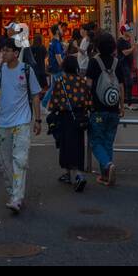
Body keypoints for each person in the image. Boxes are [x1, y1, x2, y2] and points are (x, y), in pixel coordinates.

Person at [0, 35, 42, 214]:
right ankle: (13, 192)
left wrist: (37, 119)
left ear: (16, 53)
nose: (3, 53)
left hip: (22, 121)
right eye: (2, 50)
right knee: (4, 161)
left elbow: (36, 95)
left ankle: (17, 197)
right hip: (4, 122)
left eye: (7, 50)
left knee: (20, 159)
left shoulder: (27, 70)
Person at [48, 55, 92, 192]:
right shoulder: (82, 81)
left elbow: (54, 101)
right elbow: (88, 101)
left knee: (65, 145)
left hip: (65, 116)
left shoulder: (61, 81)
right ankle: (77, 173)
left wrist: (53, 110)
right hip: (79, 117)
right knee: (78, 145)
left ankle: (72, 174)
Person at [86, 32, 124, 186]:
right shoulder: (117, 62)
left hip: (98, 109)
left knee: (95, 141)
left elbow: (88, 84)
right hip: (114, 109)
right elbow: (121, 86)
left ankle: (108, 165)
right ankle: (105, 175)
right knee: (108, 142)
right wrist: (122, 106)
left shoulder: (94, 62)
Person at [117, 24, 138, 110]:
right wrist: (133, 48)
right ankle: (128, 103)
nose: (130, 32)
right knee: (128, 83)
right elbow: (125, 52)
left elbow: (132, 52)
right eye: (128, 30)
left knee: (127, 84)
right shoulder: (120, 41)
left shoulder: (128, 41)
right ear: (124, 31)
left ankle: (126, 103)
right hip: (122, 64)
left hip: (128, 64)